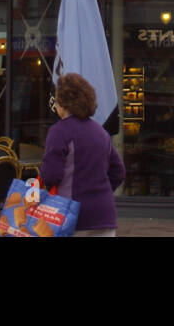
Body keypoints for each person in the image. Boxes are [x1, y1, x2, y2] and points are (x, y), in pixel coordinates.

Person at [40, 72, 126, 236]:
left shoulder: (59, 131)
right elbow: (118, 172)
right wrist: (101, 192)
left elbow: (51, 175)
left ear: (63, 103)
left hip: (71, 215)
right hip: (104, 214)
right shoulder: (101, 132)